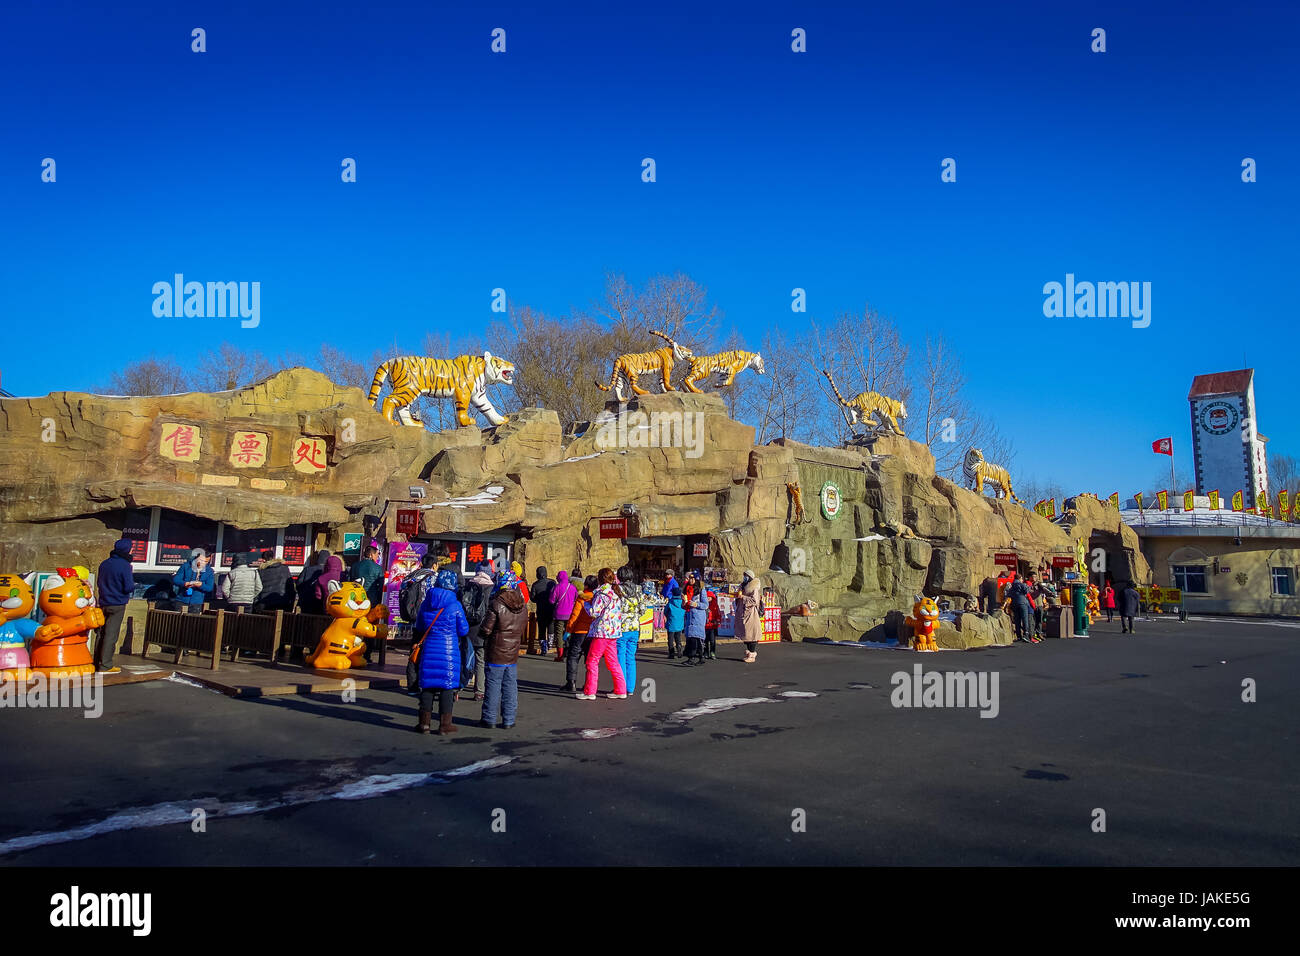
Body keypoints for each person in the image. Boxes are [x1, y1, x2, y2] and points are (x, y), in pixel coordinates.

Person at [413, 568, 469, 735]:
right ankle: (445, 725)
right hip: (449, 651)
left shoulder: (426, 602)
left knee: (428, 686)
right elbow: (464, 629)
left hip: (429, 648)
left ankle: (424, 724)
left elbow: (420, 626)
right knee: (447, 687)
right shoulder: (455, 605)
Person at [479, 569, 527, 729]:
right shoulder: (522, 604)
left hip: (496, 651)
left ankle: (489, 719)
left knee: (493, 685)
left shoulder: (496, 603)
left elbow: (486, 629)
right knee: (510, 687)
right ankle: (509, 719)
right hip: (512, 652)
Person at [577, 568, 627, 700]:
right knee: (613, 662)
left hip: (602, 632)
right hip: (613, 632)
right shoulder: (615, 593)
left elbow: (594, 612)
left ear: (600, 579)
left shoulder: (602, 594)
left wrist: (585, 604)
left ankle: (590, 691)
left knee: (592, 661)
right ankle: (621, 689)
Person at [94, 538, 135, 674]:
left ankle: (96, 662)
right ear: (127, 549)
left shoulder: (104, 564)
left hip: (104, 602)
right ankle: (106, 665)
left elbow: (100, 582)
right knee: (111, 635)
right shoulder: (125, 565)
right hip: (117, 603)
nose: (132, 550)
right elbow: (128, 587)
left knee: (101, 633)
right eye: (131, 548)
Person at [461, 560, 495, 697]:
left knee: (465, 657)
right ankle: (479, 691)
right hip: (482, 628)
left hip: (468, 627)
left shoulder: (469, 584)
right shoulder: (492, 588)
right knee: (480, 659)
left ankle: (459, 686)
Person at [563, 575, 596, 693]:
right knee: (590, 659)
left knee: (573, 656)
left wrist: (568, 630)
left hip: (579, 632)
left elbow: (574, 616)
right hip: (591, 632)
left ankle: (571, 682)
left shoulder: (582, 598)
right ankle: (589, 684)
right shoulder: (596, 598)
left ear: (585, 585)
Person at [616, 566, 643, 692]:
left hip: (621, 628)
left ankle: (621, 687)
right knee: (631, 658)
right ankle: (630, 688)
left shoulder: (617, 589)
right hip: (635, 627)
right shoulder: (638, 589)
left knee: (620, 656)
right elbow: (642, 609)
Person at [734, 570, 764, 662]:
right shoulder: (743, 586)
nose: (744, 577)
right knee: (745, 635)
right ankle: (749, 653)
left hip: (751, 614)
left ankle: (752, 654)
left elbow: (754, 601)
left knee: (751, 635)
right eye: (744, 576)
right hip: (742, 613)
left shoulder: (754, 588)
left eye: (746, 576)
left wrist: (743, 597)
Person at [172, 548, 214, 614]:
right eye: (201, 560)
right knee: (178, 622)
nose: (203, 563)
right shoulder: (186, 566)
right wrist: (184, 583)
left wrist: (201, 585)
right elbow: (176, 579)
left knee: (193, 623)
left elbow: (210, 587)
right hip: (182, 600)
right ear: (196, 557)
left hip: (196, 603)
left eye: (206, 562)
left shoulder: (209, 571)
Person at [548, 569, 577, 665]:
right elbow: (576, 599)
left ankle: (560, 655)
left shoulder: (557, 587)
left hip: (559, 614)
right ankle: (568, 651)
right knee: (568, 632)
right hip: (570, 614)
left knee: (559, 634)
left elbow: (552, 600)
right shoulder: (573, 587)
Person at [296, 551, 330, 615]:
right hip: (321, 604)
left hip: (306, 602)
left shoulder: (307, 569)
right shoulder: (328, 571)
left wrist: (302, 594)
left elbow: (299, 584)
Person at [1007, 572, 1037, 644]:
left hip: (1014, 603)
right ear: (1020, 578)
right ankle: (1026, 635)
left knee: (1017, 619)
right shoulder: (1022, 584)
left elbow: (1008, 594)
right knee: (1024, 619)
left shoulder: (1011, 586)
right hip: (1023, 603)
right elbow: (1027, 592)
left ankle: (1018, 635)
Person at [532, 566, 555, 656]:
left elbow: (533, 598)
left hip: (541, 609)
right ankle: (550, 644)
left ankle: (543, 648)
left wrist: (539, 599)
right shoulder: (552, 583)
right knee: (551, 626)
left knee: (541, 629)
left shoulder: (535, 584)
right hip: (551, 608)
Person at [684, 584, 707, 665]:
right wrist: (684, 603)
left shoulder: (701, 591)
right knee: (692, 639)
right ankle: (700, 658)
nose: (690, 580)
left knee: (696, 639)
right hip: (690, 618)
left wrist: (696, 604)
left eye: (693, 578)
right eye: (689, 578)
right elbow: (685, 606)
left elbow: (705, 605)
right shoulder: (687, 591)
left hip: (698, 618)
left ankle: (692, 658)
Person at [664, 584, 686, 660]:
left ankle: (671, 653)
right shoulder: (682, 603)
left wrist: (668, 616)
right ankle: (679, 651)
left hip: (671, 623)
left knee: (670, 640)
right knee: (678, 638)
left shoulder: (670, 603)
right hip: (679, 624)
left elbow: (665, 612)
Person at [704, 585, 720, 659]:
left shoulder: (715, 606)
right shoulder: (703, 606)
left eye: (709, 597)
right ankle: (706, 652)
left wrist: (717, 621)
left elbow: (718, 615)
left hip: (712, 625)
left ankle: (712, 652)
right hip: (704, 625)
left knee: (712, 640)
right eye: (707, 597)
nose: (708, 599)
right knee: (705, 640)